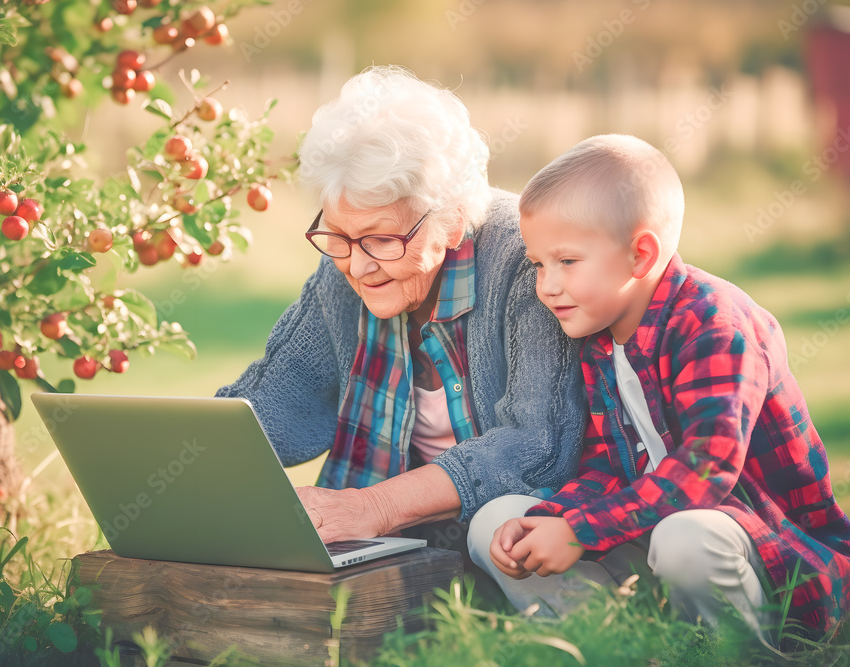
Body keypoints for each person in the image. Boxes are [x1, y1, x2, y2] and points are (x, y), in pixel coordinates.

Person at [467, 134, 850, 642]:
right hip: (652, 532)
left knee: (686, 537)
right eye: (538, 264)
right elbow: (609, 466)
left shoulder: (714, 325)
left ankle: (735, 650)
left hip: (768, 550)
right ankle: (620, 642)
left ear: (640, 255)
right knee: (496, 520)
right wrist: (553, 519)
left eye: (566, 262)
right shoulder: (600, 339)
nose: (546, 285)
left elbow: (706, 469)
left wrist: (581, 531)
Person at [215, 66, 587, 550]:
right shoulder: (343, 272)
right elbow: (277, 399)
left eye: (381, 239)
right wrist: (181, 461)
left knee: (496, 522)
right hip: (403, 542)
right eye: (339, 236)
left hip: (523, 532)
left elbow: (536, 445)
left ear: (452, 223)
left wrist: (374, 508)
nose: (357, 266)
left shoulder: (527, 262)